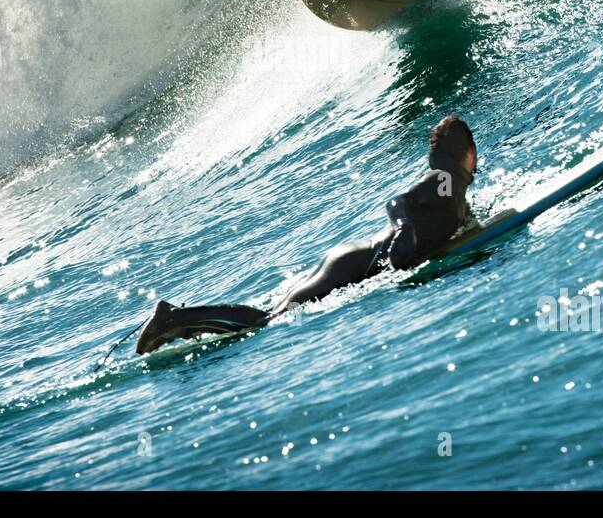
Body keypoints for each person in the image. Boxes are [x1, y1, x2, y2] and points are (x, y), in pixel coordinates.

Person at [135, 116, 479, 354]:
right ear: (469, 153)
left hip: (353, 259)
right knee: (268, 320)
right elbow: (398, 201)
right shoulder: (444, 179)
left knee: (270, 314)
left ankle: (178, 320)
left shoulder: (455, 193)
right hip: (354, 264)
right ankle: (172, 318)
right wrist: (404, 227)